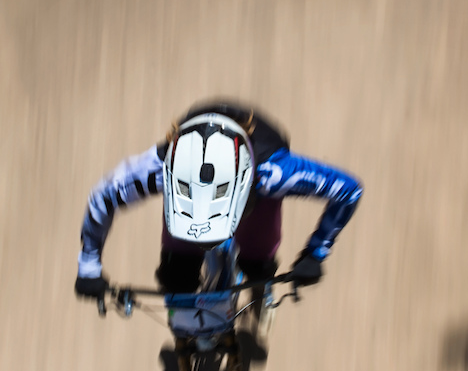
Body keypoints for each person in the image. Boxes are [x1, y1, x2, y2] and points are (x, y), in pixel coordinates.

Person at [73, 100, 362, 305]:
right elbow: (346, 191)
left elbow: (104, 197)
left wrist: (89, 264)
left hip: (256, 189)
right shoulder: (162, 169)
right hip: (247, 188)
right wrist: (314, 254)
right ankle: (257, 286)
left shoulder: (270, 174)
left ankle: (257, 277)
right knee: (179, 275)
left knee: (255, 265)